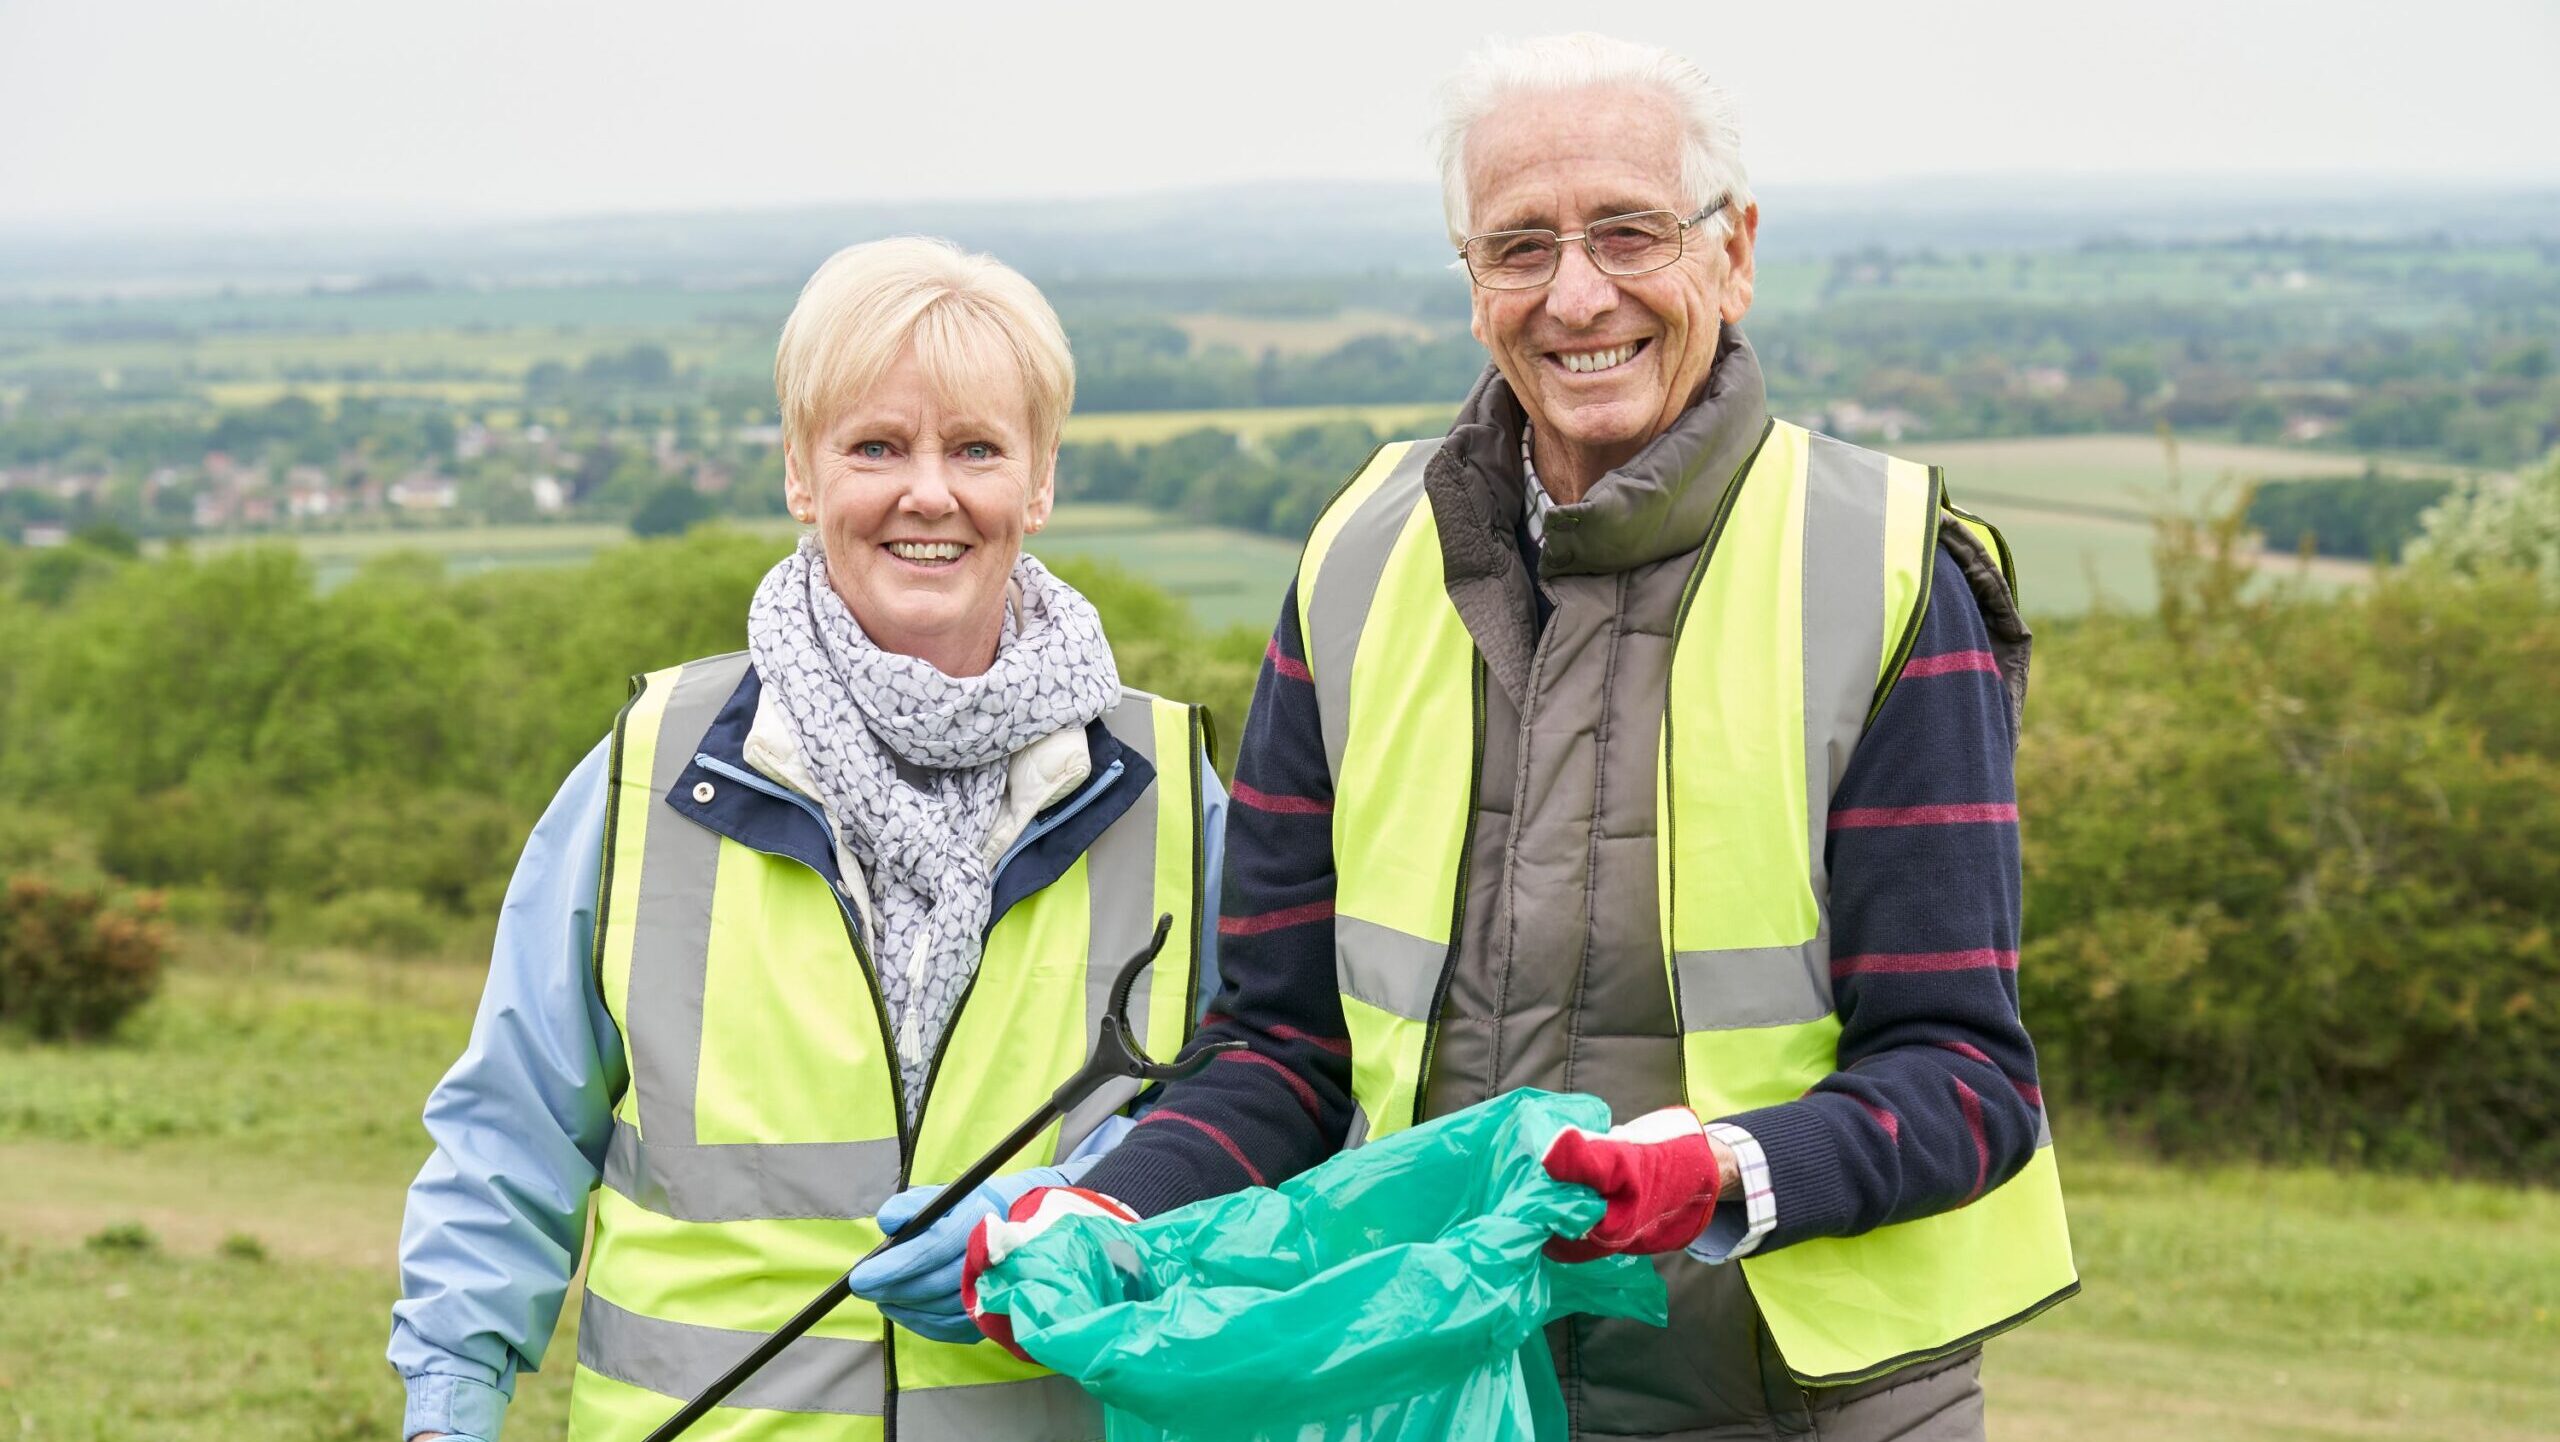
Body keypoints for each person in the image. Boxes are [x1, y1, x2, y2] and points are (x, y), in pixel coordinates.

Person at [965, 33, 2074, 1442]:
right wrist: (1113, 1203)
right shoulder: (1360, 559)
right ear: (1471, 285)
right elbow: (1282, 1046)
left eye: (1629, 232)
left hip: (1801, 1407)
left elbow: (1964, 1078)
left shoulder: (1883, 570)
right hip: (1426, 1395)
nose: (1577, 293)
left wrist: (1718, 1166)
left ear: (1733, 255)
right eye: (1519, 246)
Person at [389, 235, 1226, 1442]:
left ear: (1039, 482)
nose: (927, 492)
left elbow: (1259, 1123)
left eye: (977, 448)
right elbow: (510, 1126)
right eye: (875, 446)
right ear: (801, 471)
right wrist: (450, 1402)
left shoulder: (1167, 788)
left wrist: (1089, 1210)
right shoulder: (652, 764)